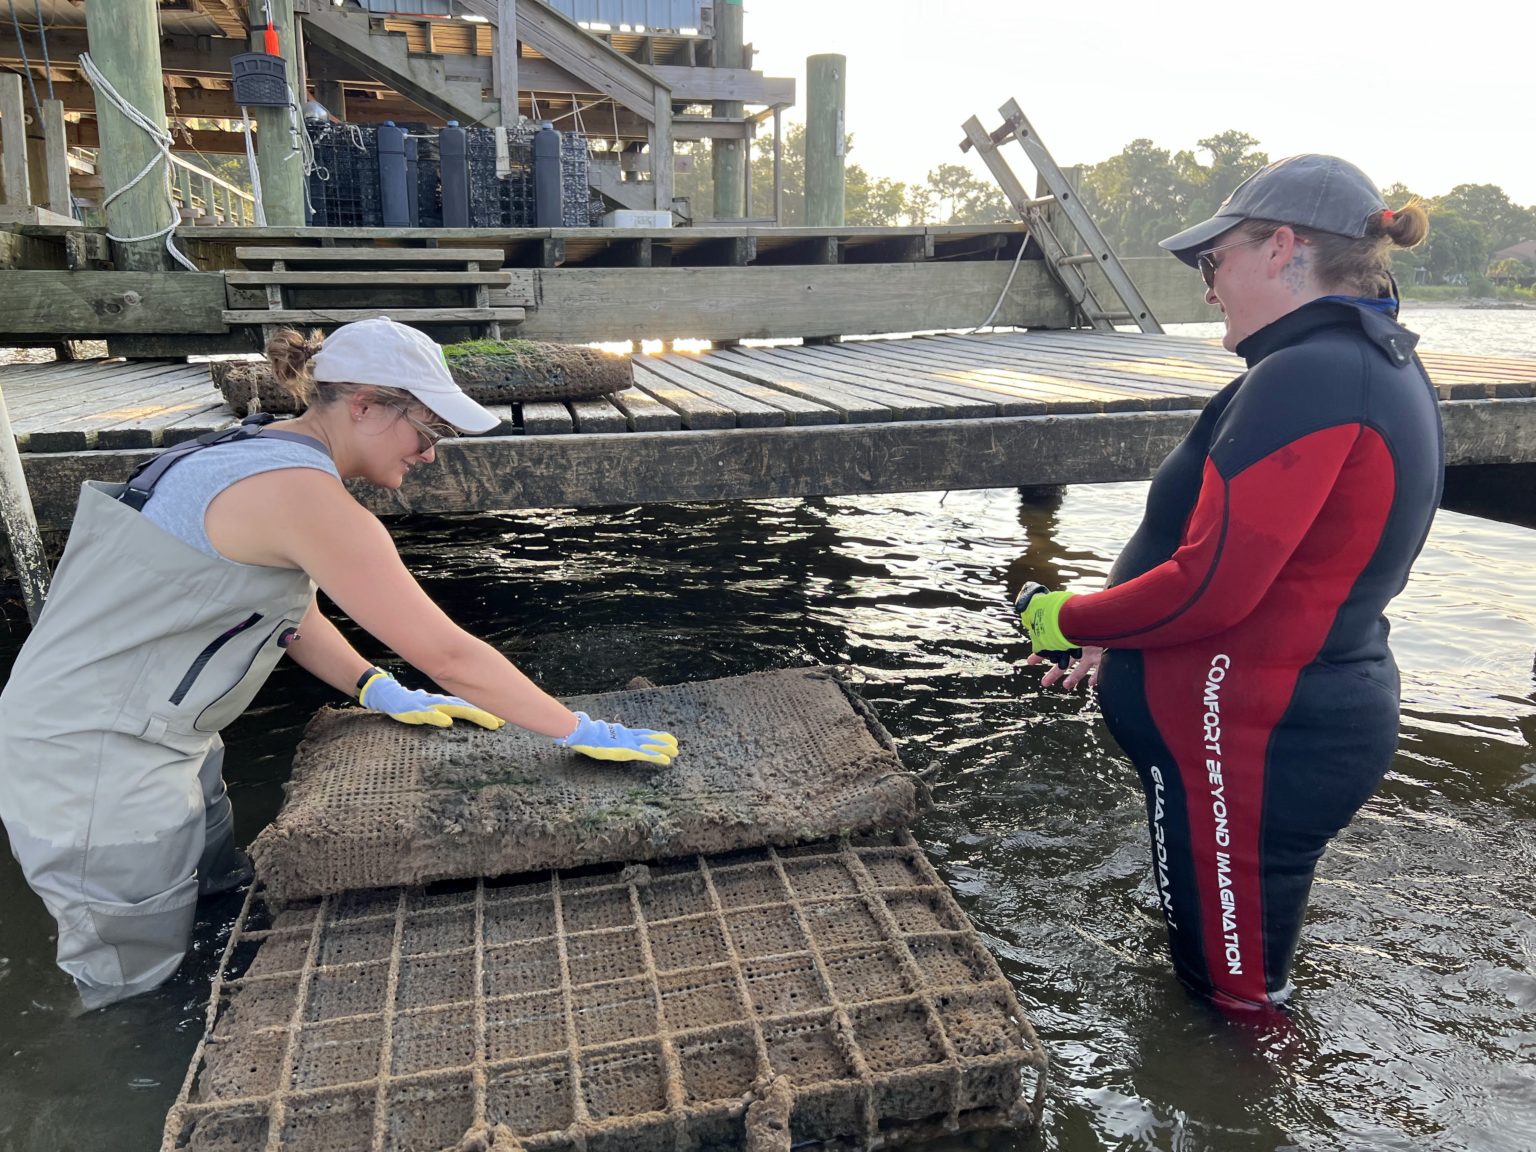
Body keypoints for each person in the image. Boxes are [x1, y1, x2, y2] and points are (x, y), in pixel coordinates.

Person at [0, 317, 678, 1010]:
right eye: (429, 431)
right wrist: (574, 730)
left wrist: (372, 685)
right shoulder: (308, 499)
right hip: (92, 761)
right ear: (364, 406)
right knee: (133, 983)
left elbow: (272, 608)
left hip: (153, 734)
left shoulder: (253, 448)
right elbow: (449, 654)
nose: (430, 454)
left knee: (211, 898)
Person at [1013, 155, 1440, 1009]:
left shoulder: (1315, 374)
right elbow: (1251, 562)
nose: (1207, 288)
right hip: (1258, 729)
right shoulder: (1343, 360)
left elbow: (1212, 588)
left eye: (1214, 263)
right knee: (1234, 973)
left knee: (1237, 1005)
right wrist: (1115, 633)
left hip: (1255, 739)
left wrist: (1061, 614)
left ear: (1283, 247)